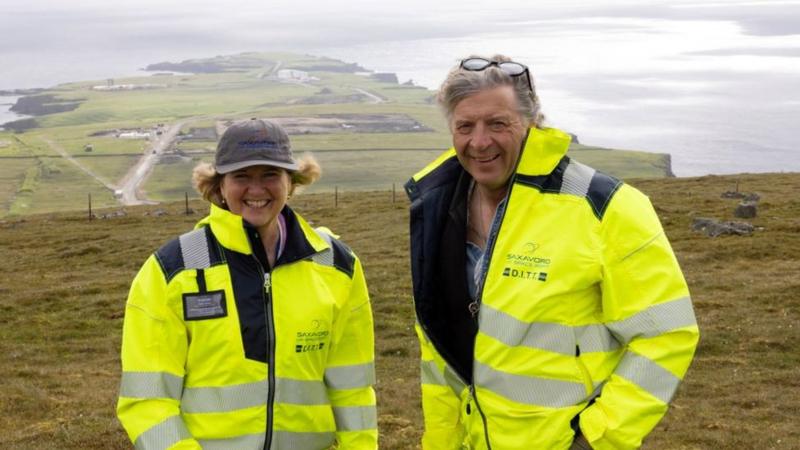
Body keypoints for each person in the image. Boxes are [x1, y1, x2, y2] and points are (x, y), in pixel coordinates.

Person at [404, 55, 699, 449]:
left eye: (498, 124)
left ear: (531, 122)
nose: (480, 142)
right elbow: (440, 357)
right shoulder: (437, 208)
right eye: (465, 126)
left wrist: (595, 439)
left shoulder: (605, 206)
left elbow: (666, 334)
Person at [117, 118, 377, 449]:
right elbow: (146, 401)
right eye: (241, 176)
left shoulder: (337, 265)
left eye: (270, 174)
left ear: (291, 182)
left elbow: (354, 392)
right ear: (219, 186)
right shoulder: (172, 271)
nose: (256, 190)